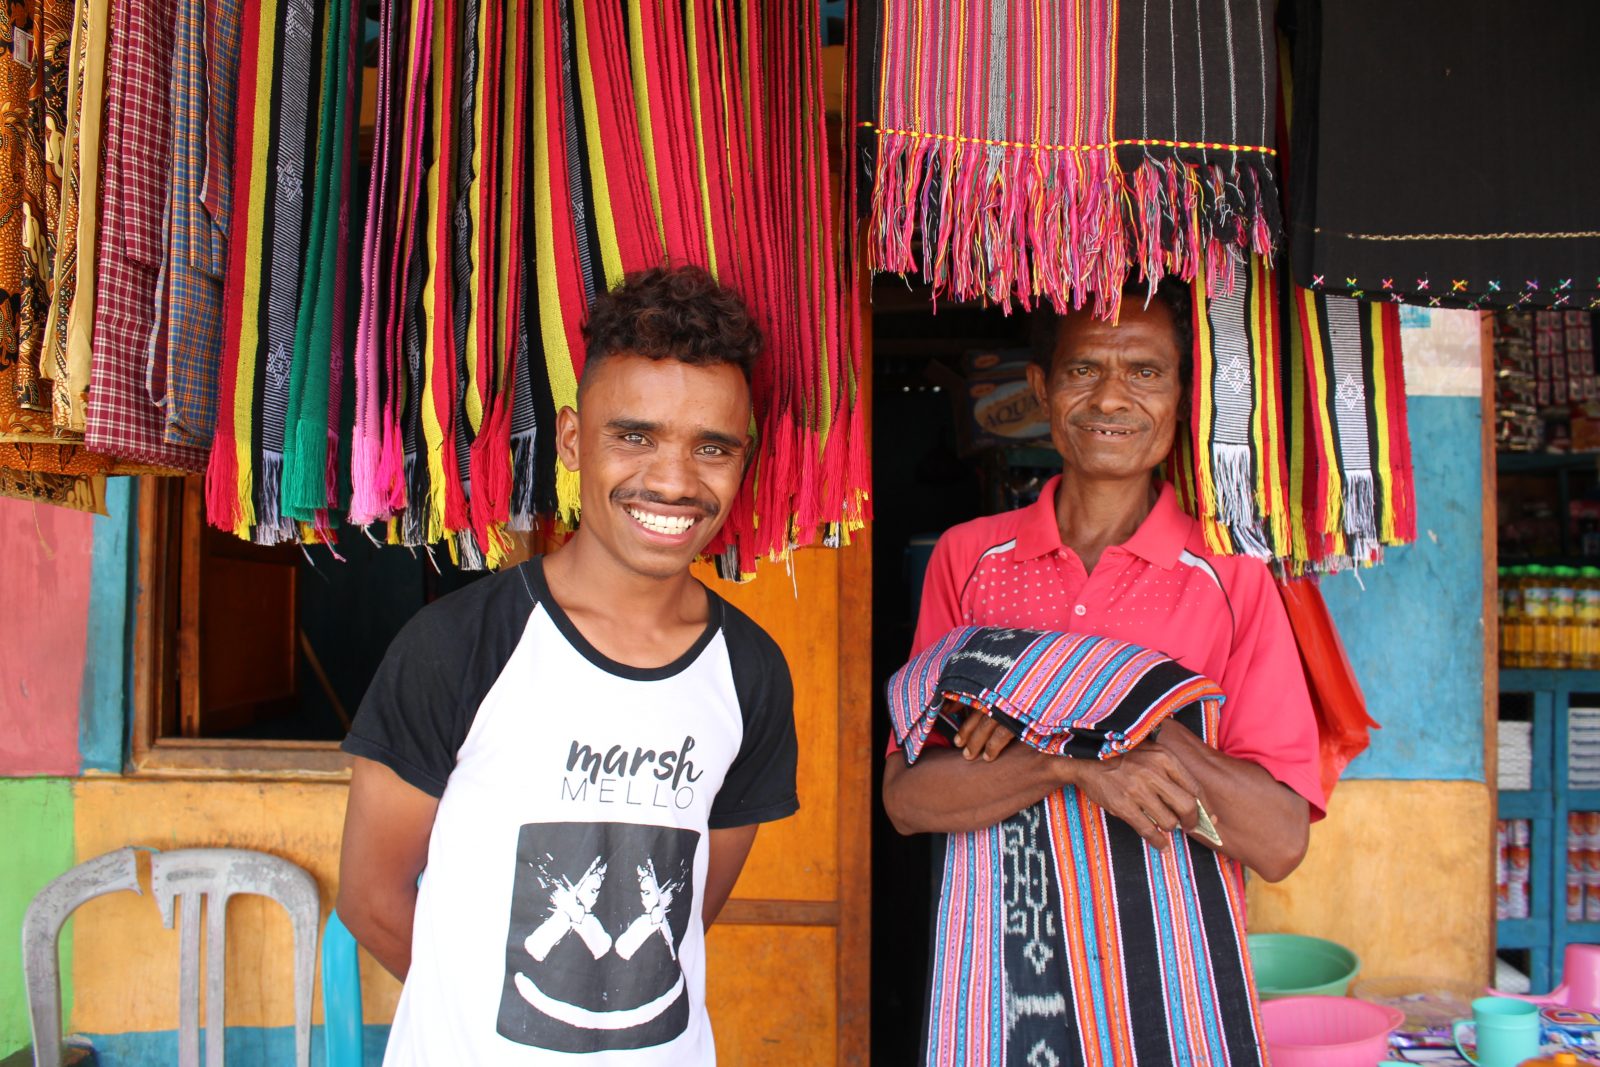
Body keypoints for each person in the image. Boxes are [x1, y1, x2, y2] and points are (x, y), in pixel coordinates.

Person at [338, 265, 799, 1065]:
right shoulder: (460, 646)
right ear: (575, 439)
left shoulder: (750, 673)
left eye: (712, 448)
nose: (673, 480)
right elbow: (370, 897)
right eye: (636, 435)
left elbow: (689, 909)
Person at [882, 281, 1323, 1065]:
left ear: (1183, 395)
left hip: (1168, 993)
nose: (1112, 397)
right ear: (1045, 389)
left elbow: (1280, 839)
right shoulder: (969, 557)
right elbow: (909, 798)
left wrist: (1120, 726)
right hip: (1000, 987)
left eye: (1147, 372)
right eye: (1085, 370)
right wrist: (1070, 761)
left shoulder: (1232, 577)